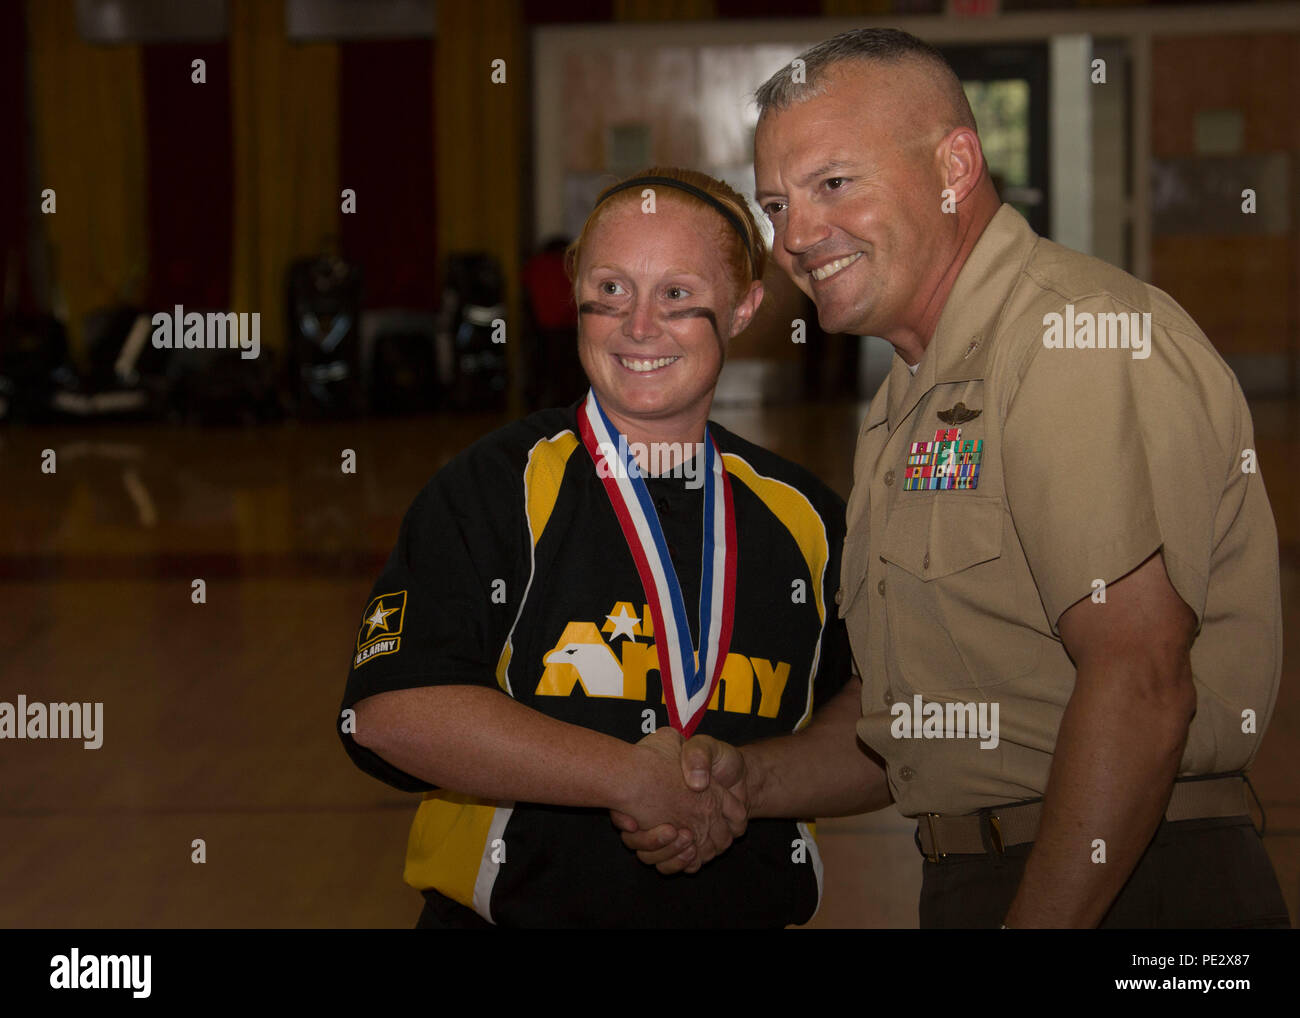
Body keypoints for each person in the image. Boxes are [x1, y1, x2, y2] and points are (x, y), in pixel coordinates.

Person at [617, 29, 1290, 930]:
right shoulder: (914, 398)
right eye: (776, 204)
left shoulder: (1070, 342)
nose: (796, 238)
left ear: (955, 165)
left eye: (834, 184)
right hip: (1002, 877)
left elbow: (1140, 681)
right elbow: (933, 724)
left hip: (1135, 885)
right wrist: (751, 779)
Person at [336, 166, 856, 928]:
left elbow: (882, 723)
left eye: (678, 294)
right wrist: (627, 778)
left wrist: (750, 780)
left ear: (744, 305)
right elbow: (387, 711)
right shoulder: (494, 485)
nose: (639, 326)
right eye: (611, 290)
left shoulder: (804, 514)